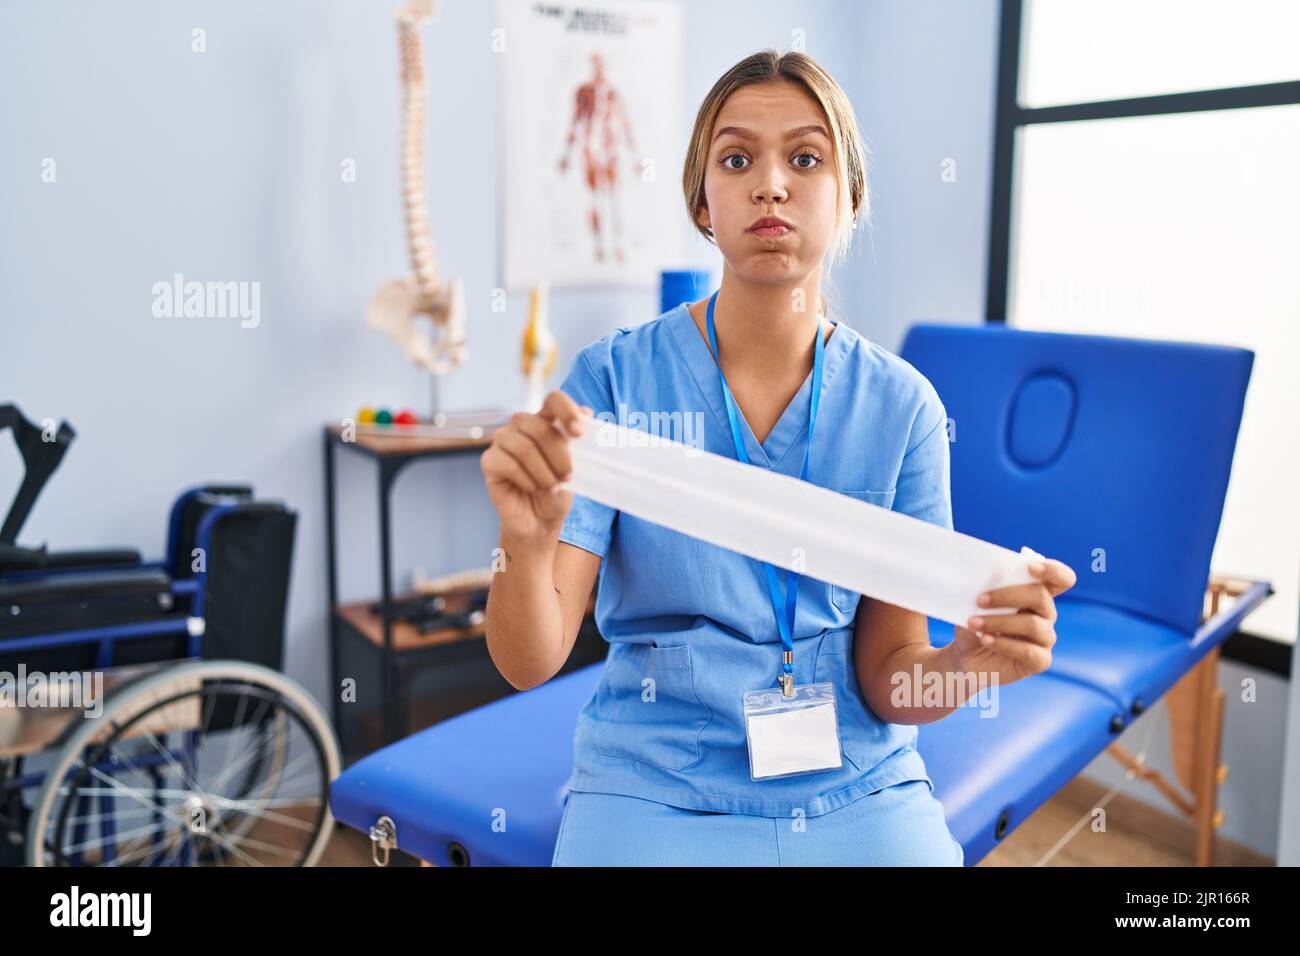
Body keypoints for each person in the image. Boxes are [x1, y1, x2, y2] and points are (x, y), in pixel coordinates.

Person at [480, 49, 1077, 866]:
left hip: (852, 779)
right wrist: (526, 537)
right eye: (737, 159)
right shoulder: (614, 381)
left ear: (850, 198)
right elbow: (529, 661)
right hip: (653, 780)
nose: (771, 185)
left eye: (805, 158)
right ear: (703, 204)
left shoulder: (902, 408)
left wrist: (968, 665)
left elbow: (889, 683)